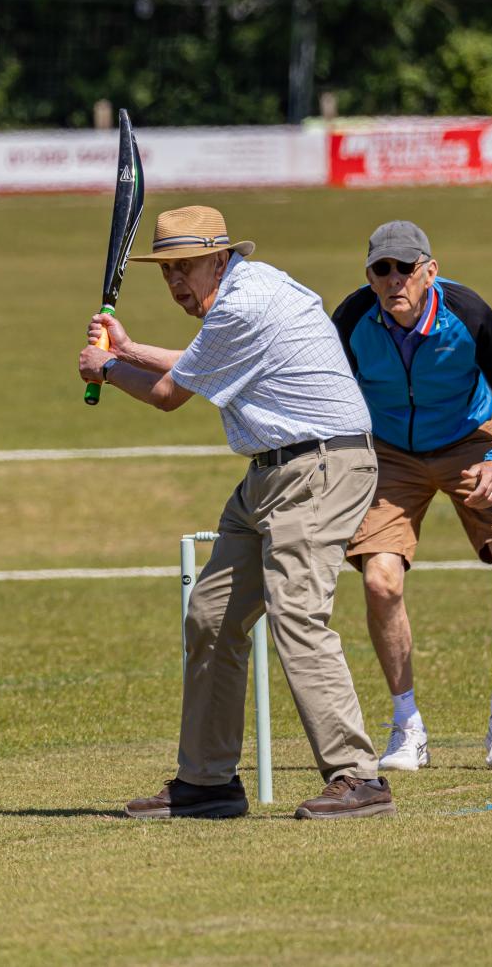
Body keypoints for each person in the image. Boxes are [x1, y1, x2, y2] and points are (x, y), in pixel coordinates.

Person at [78, 204, 394, 820]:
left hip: (320, 467)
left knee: (297, 614)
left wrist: (109, 368)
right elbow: (203, 365)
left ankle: (358, 778)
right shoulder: (245, 292)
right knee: (212, 616)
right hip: (270, 472)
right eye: (166, 271)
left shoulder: (244, 304)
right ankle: (208, 783)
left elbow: (172, 396)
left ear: (219, 258)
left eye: (185, 267)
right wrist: (132, 348)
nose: (175, 283)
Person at [331, 221, 492, 771]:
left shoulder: (469, 315)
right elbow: (330, 396)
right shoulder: (352, 319)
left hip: (470, 441)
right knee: (379, 580)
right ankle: (407, 726)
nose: (394, 278)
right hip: (389, 452)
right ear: (370, 276)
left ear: (430, 271)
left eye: (405, 267)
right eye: (382, 269)